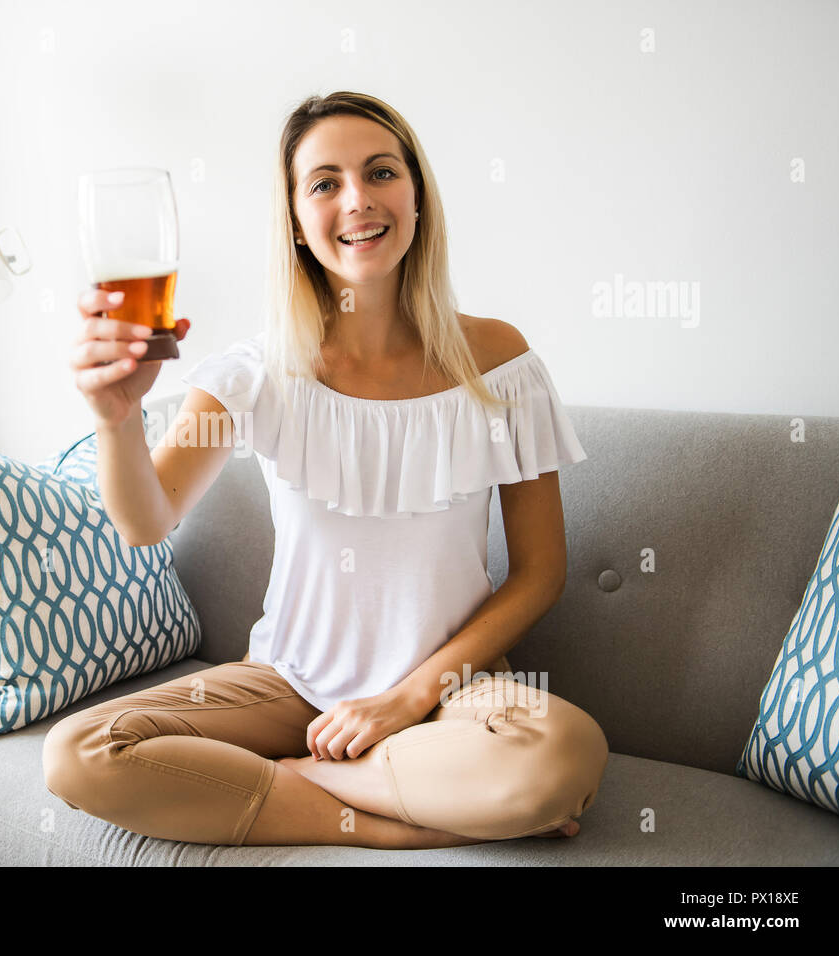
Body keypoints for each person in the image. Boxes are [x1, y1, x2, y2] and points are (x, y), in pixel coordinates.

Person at [47, 91, 608, 849]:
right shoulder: (254, 374)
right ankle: (390, 823)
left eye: (381, 172)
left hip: (449, 694)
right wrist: (114, 419)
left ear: (417, 198)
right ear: (296, 222)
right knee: (81, 753)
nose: (358, 200)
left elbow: (540, 572)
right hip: (287, 684)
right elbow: (146, 520)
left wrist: (406, 701)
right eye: (324, 183)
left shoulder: (498, 362)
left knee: (562, 754)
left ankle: (304, 779)